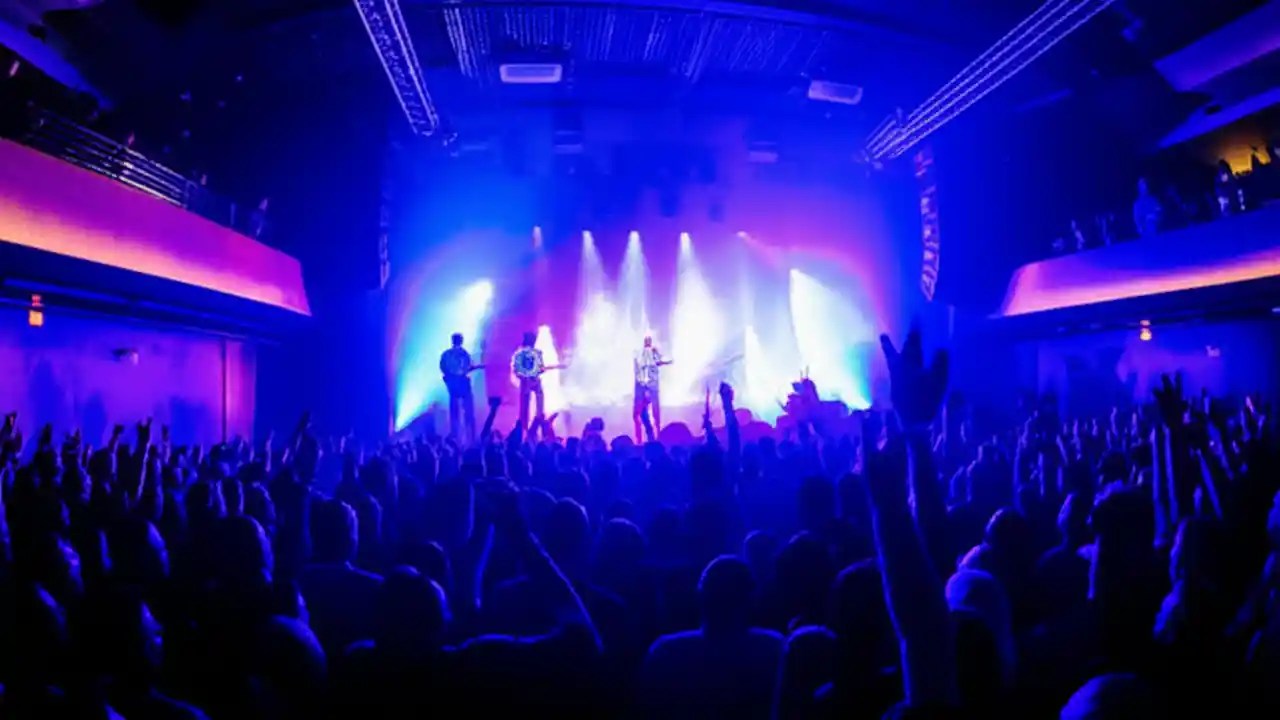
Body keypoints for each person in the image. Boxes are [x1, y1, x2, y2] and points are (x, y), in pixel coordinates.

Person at [511, 331, 563, 433]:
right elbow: (520, 370)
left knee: (532, 403)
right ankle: (529, 426)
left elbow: (537, 368)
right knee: (529, 405)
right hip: (528, 382)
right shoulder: (528, 353)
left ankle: (535, 422)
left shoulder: (526, 353)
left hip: (530, 381)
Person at [440, 333, 481, 443]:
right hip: (462, 384)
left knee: (454, 411)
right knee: (468, 411)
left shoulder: (446, 354)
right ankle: (470, 437)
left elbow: (443, 368)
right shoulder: (463, 354)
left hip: (453, 385)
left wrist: (448, 378)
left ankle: (455, 436)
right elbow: (467, 368)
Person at [633, 335, 671, 443]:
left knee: (653, 412)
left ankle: (654, 434)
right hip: (645, 386)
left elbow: (658, 362)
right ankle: (643, 437)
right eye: (647, 341)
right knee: (641, 413)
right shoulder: (642, 355)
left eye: (649, 341)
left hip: (650, 387)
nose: (648, 343)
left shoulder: (651, 353)